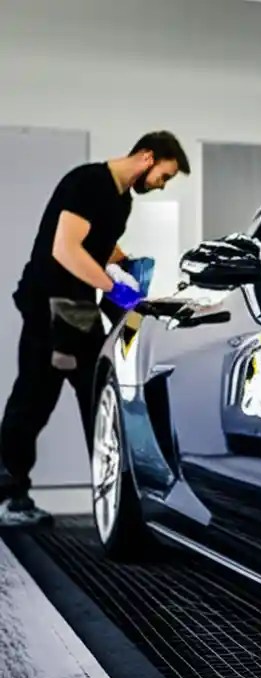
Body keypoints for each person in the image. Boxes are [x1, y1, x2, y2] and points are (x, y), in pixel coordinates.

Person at [0, 131, 189, 526]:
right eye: (164, 176)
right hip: (48, 307)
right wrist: (114, 286)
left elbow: (97, 247)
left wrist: (129, 263)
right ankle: (7, 498)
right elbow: (65, 249)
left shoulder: (121, 202)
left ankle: (119, 499)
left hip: (79, 310)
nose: (160, 185)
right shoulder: (86, 182)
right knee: (32, 401)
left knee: (102, 398)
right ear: (148, 157)